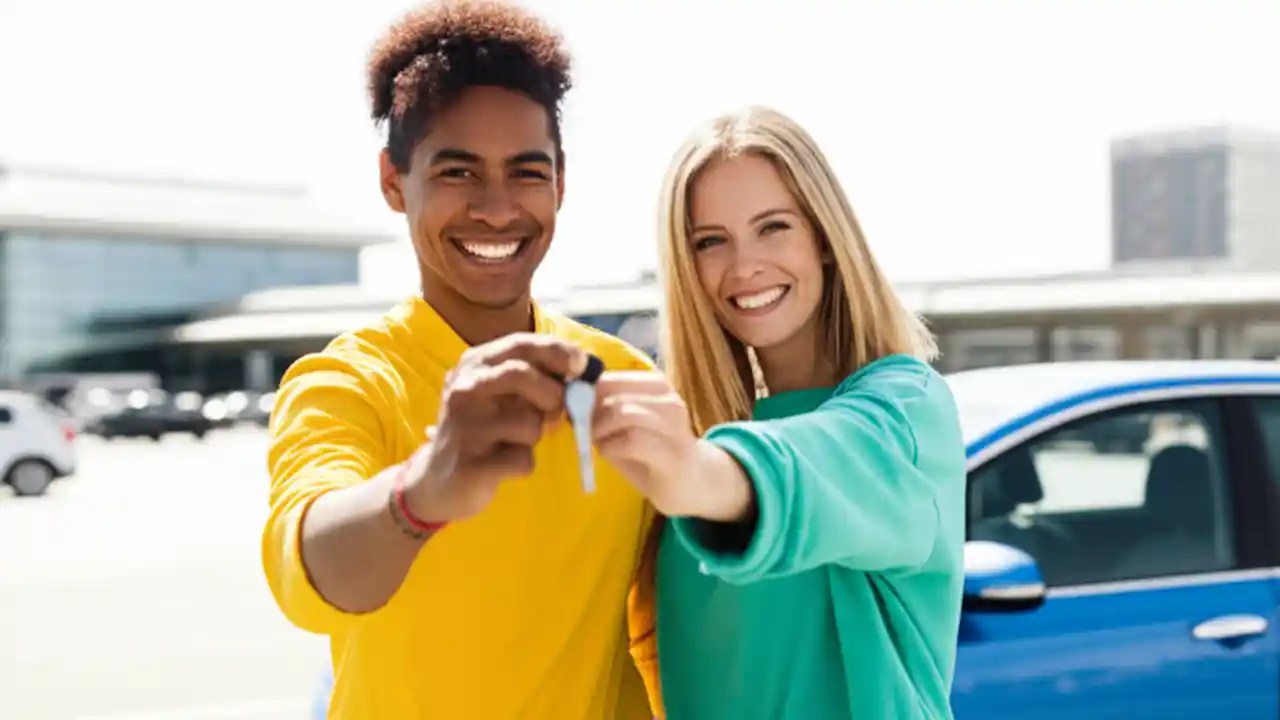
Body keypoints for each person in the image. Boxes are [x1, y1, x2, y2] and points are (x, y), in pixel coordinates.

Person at [261, 2, 656, 718]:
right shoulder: (345, 384)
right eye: (458, 172)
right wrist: (423, 493)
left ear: (561, 183)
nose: (498, 209)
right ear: (393, 180)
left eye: (527, 172)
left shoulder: (624, 378)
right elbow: (312, 573)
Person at [596, 107, 967, 718]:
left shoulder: (907, 411)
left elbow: (813, 467)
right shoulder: (708, 443)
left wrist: (692, 474)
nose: (745, 267)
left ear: (823, 236)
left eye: (773, 228)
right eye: (711, 241)